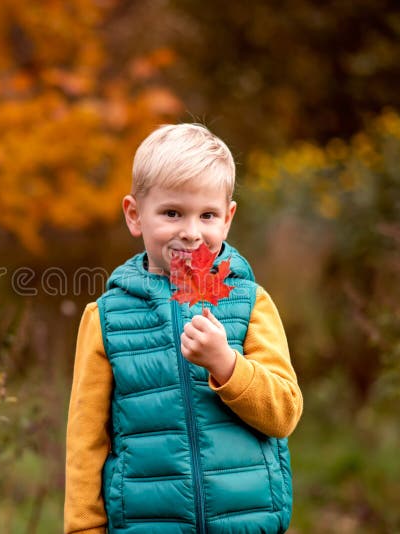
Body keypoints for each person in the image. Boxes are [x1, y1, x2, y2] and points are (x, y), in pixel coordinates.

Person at [64, 123, 303, 533]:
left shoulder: (250, 302)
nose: (191, 232)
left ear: (227, 219)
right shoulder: (105, 318)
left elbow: (283, 414)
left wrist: (226, 364)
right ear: (135, 215)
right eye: (172, 213)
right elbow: (86, 444)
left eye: (207, 215)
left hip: (246, 523)